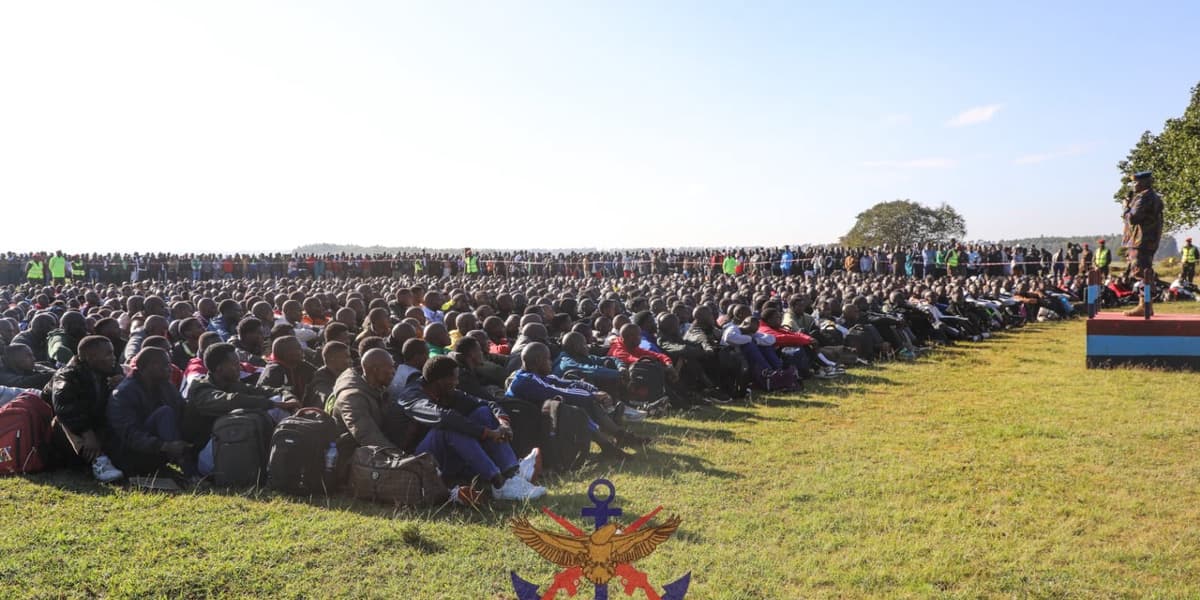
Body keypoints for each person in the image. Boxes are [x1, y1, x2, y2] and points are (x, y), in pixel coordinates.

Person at [397, 355, 544, 502]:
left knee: (482, 412)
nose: (457, 382)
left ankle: (512, 473)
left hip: (444, 458)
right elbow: (444, 417)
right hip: (417, 461)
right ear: (440, 381)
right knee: (450, 428)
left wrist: (503, 424)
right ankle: (499, 483)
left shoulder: (444, 391)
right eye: (454, 378)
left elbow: (488, 404)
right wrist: (487, 433)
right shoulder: (412, 397)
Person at [508, 342, 647, 456]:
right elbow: (558, 392)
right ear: (538, 361)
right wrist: (592, 396)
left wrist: (594, 391)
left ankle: (617, 439)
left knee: (583, 401)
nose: (551, 362)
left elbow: (567, 383)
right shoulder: (525, 381)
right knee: (577, 408)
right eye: (548, 359)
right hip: (529, 430)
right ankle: (611, 443)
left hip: (541, 421)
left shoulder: (538, 376)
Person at [182, 343, 299, 476]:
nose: (240, 368)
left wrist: (288, 398)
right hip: (204, 456)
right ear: (219, 368)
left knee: (278, 399)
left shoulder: (230, 383)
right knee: (270, 406)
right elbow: (231, 400)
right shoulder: (201, 390)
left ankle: (288, 460)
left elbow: (267, 391)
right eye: (235, 364)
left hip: (227, 444)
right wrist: (271, 404)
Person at [50, 335, 126, 482]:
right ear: (90, 357)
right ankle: (99, 461)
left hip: (96, 422)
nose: (113, 357)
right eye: (108, 353)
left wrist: (123, 384)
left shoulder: (112, 370)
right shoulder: (67, 376)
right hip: (67, 432)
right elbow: (66, 409)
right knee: (62, 420)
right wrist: (87, 433)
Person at [106, 348, 193, 477]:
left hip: (156, 449)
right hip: (131, 454)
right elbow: (129, 433)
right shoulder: (123, 393)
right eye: (165, 364)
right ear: (147, 366)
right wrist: (165, 446)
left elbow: (182, 412)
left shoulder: (165, 386)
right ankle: (189, 470)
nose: (170, 368)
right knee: (165, 413)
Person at [330, 348, 399, 448]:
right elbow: (367, 436)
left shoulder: (377, 387)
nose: (394, 372)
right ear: (375, 370)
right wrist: (399, 456)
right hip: (353, 452)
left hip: (373, 448)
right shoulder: (351, 398)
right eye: (391, 367)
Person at [1122, 171, 1165, 317]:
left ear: (1145, 182)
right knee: (1145, 272)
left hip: (1141, 241)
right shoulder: (1153, 198)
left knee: (1141, 272)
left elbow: (1133, 218)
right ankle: (1146, 304)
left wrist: (1126, 208)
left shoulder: (1144, 198)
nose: (1134, 185)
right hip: (1148, 240)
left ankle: (1144, 305)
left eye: (1136, 182)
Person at [258, 336, 319, 407]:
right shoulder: (274, 370)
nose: (301, 351)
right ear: (284, 353)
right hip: (280, 408)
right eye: (296, 348)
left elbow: (319, 375)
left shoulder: (302, 365)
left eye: (299, 347)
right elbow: (263, 390)